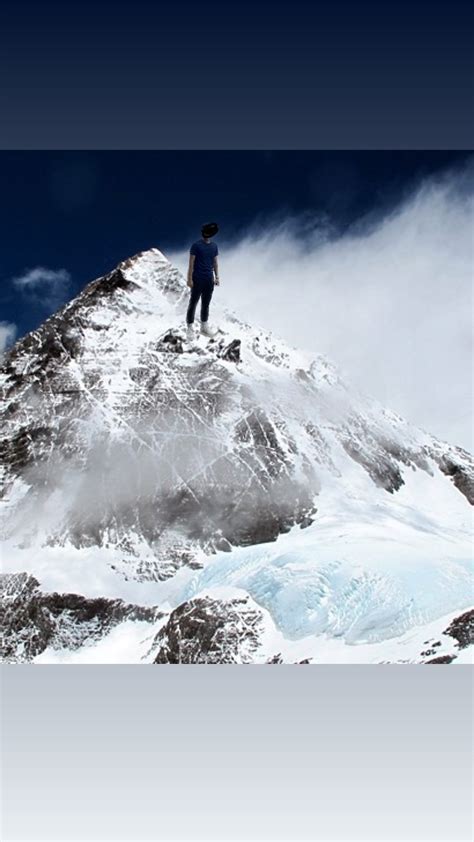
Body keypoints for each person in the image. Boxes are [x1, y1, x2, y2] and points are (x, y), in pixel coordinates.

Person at [186, 222, 220, 341]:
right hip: (197, 278)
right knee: (193, 303)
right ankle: (189, 328)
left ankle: (204, 327)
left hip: (208, 279)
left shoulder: (214, 247)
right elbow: (191, 264)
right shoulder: (196, 246)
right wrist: (189, 279)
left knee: (206, 304)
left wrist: (217, 277)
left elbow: (215, 262)